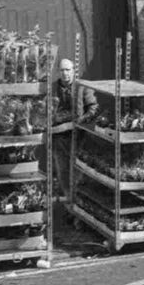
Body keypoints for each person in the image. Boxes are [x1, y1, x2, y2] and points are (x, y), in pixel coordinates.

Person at [51, 58, 99, 199]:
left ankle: (80, 198)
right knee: (62, 168)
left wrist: (80, 121)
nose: (65, 73)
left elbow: (93, 108)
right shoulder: (52, 88)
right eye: (62, 70)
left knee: (79, 168)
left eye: (68, 70)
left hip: (79, 136)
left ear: (73, 71)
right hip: (59, 137)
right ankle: (68, 197)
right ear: (58, 72)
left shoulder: (82, 86)